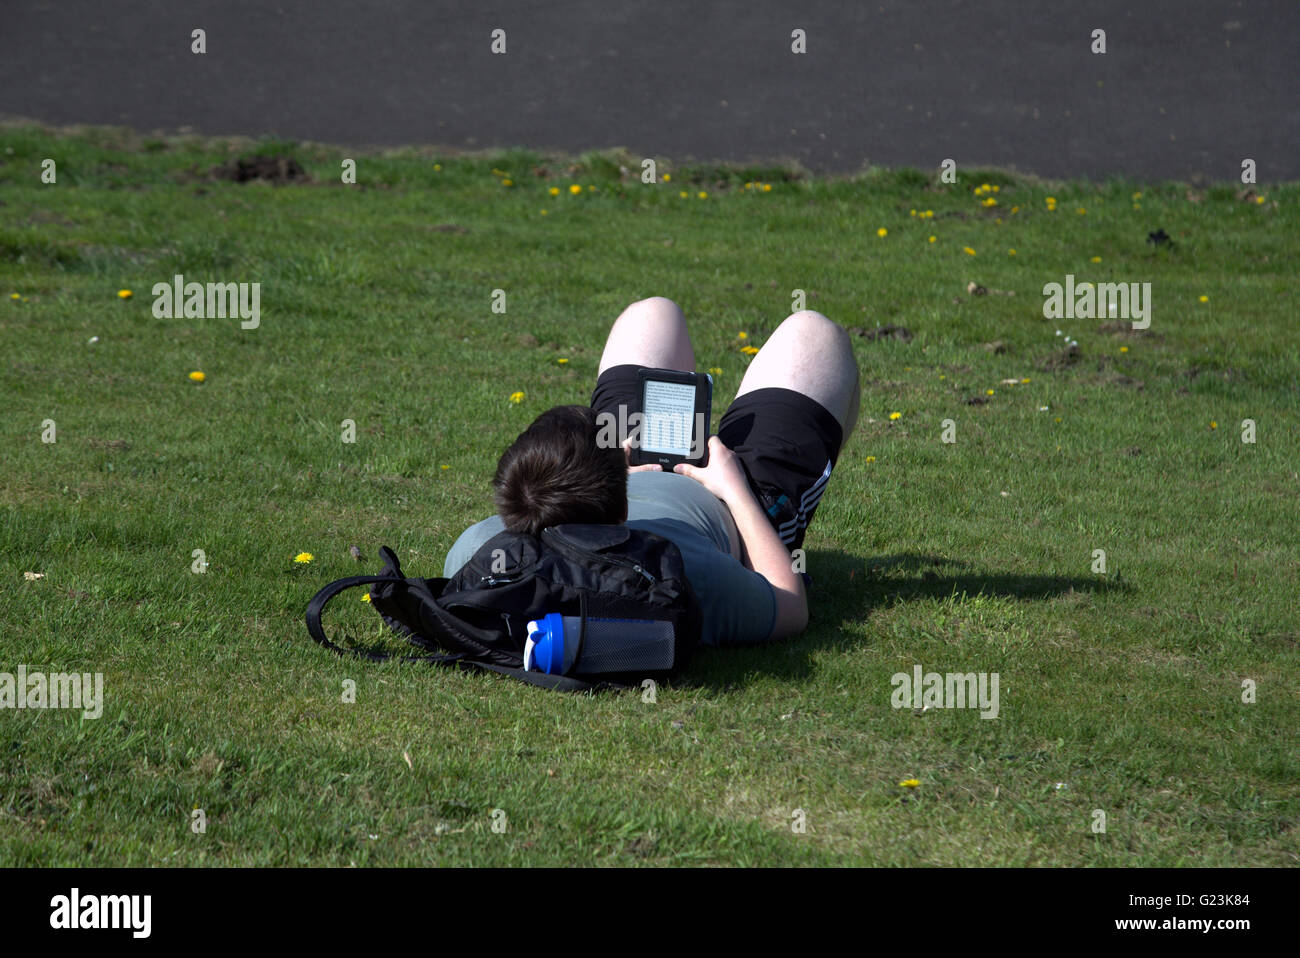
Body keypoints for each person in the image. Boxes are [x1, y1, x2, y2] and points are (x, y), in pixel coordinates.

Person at [442, 297, 861, 646]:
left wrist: (606, 474)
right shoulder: (686, 569)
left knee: (654, 313)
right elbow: (790, 607)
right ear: (622, 510)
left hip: (593, 491)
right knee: (814, 332)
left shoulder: (476, 552)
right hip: (736, 496)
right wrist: (735, 489)